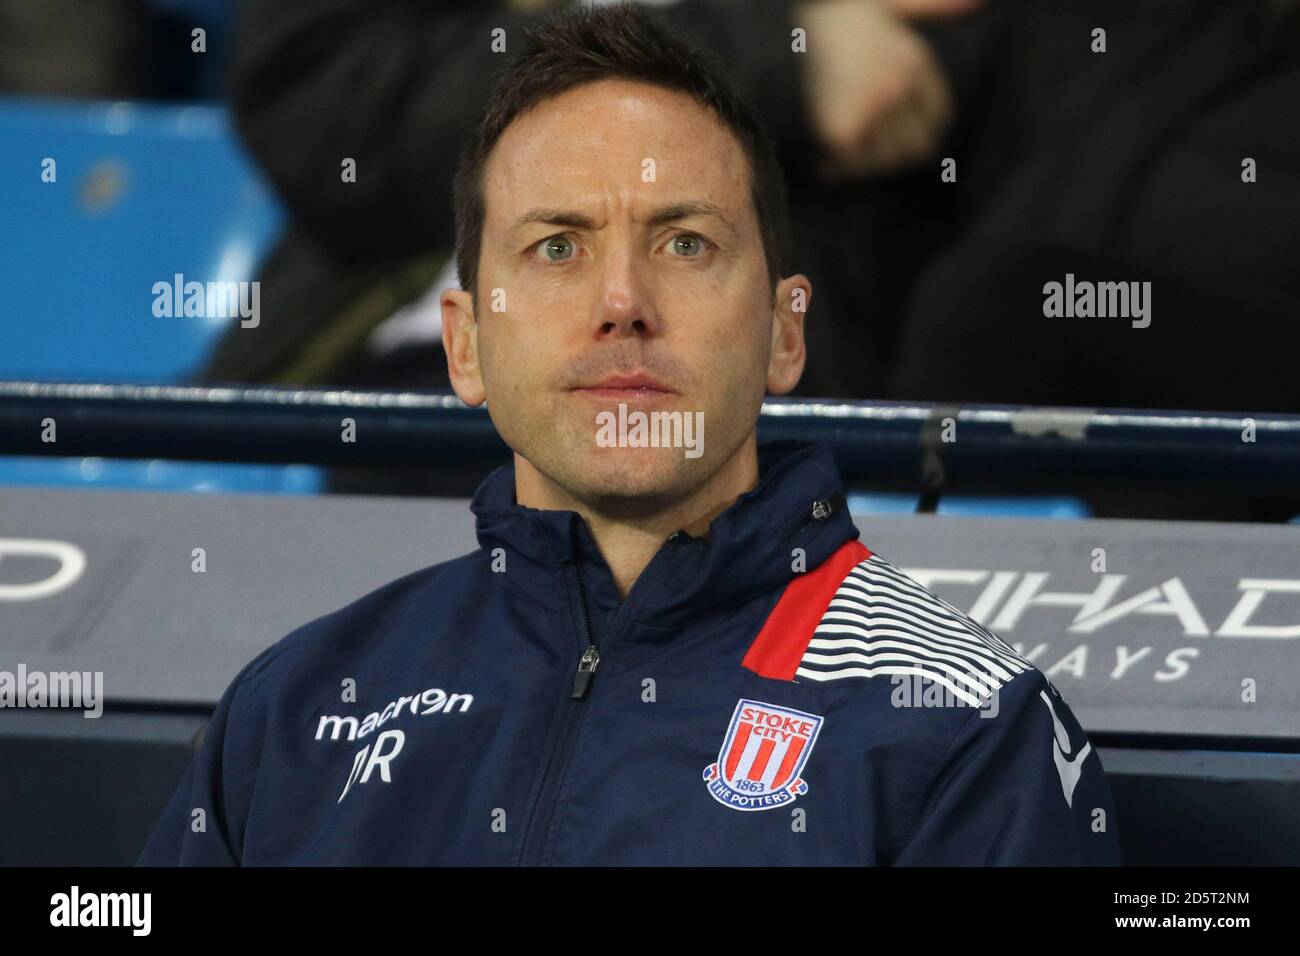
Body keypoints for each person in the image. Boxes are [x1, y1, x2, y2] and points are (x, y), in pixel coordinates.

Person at [138, 3, 1119, 865]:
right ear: (466, 342)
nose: (622, 303)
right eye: (556, 247)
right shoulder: (291, 710)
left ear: (785, 331)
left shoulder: (961, 727)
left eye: (684, 243)